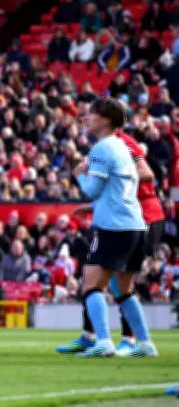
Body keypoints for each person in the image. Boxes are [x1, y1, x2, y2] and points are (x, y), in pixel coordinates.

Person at [57, 130, 165, 356]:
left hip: (131, 217)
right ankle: (127, 340)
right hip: (133, 217)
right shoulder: (110, 145)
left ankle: (115, 340)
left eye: (91, 116)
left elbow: (145, 173)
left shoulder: (118, 143)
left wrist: (83, 177)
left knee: (97, 280)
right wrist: (96, 205)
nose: (85, 122)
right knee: (115, 284)